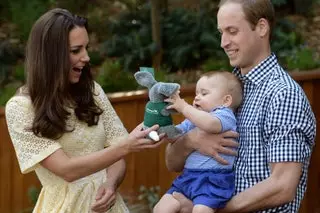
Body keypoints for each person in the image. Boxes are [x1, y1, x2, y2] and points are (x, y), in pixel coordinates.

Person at [5, 8, 165, 213]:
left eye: (86, 48)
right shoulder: (20, 108)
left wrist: (110, 185)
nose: (86, 57)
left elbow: (117, 157)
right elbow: (67, 170)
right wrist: (126, 146)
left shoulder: (93, 91)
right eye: (75, 50)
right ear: (50, 56)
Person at [165, 0, 316, 213]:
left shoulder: (283, 94)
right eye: (221, 33)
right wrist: (191, 140)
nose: (223, 42)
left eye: (232, 31)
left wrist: (211, 208)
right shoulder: (221, 90)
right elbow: (172, 163)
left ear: (262, 28)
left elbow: (282, 186)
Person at [154, 71, 243, 213]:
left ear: (226, 101)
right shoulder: (194, 118)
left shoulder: (224, 115)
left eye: (204, 93)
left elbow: (210, 125)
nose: (197, 97)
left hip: (213, 179)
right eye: (196, 93)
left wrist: (184, 107)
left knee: (201, 210)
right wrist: (161, 130)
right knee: (163, 207)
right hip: (188, 176)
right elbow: (176, 136)